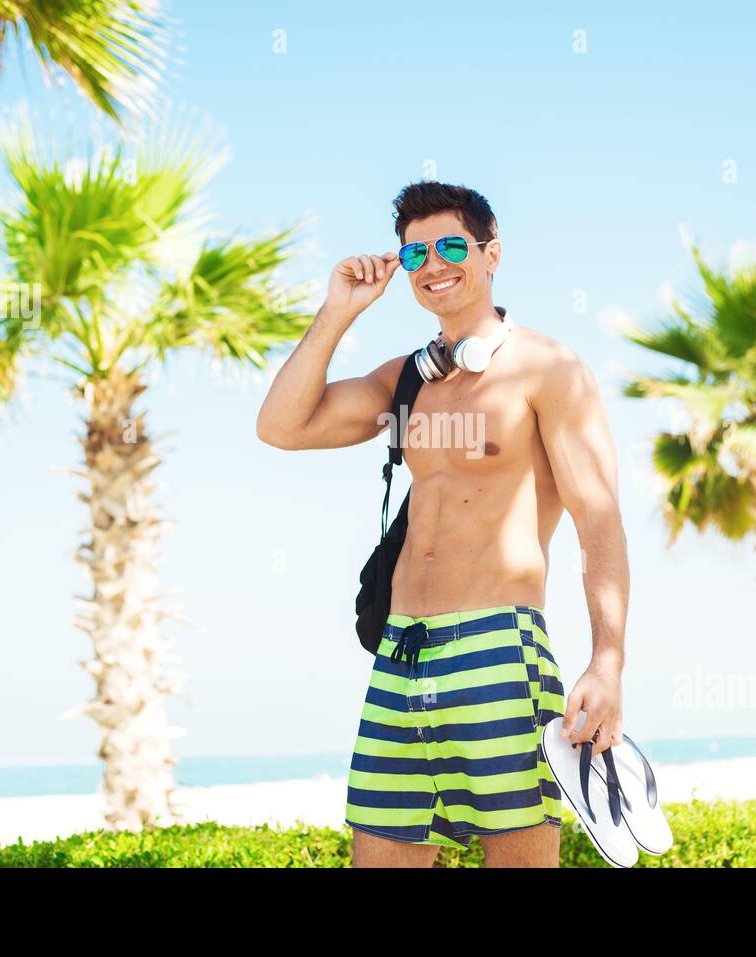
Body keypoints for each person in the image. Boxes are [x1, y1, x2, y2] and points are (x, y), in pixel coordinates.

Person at [255, 182, 629, 867]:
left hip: (496, 642)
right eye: (416, 251)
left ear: (491, 255)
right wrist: (338, 313)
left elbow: (599, 522)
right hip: (399, 655)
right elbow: (280, 426)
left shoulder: (547, 368)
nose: (433, 263)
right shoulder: (405, 383)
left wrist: (607, 659)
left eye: (451, 245)